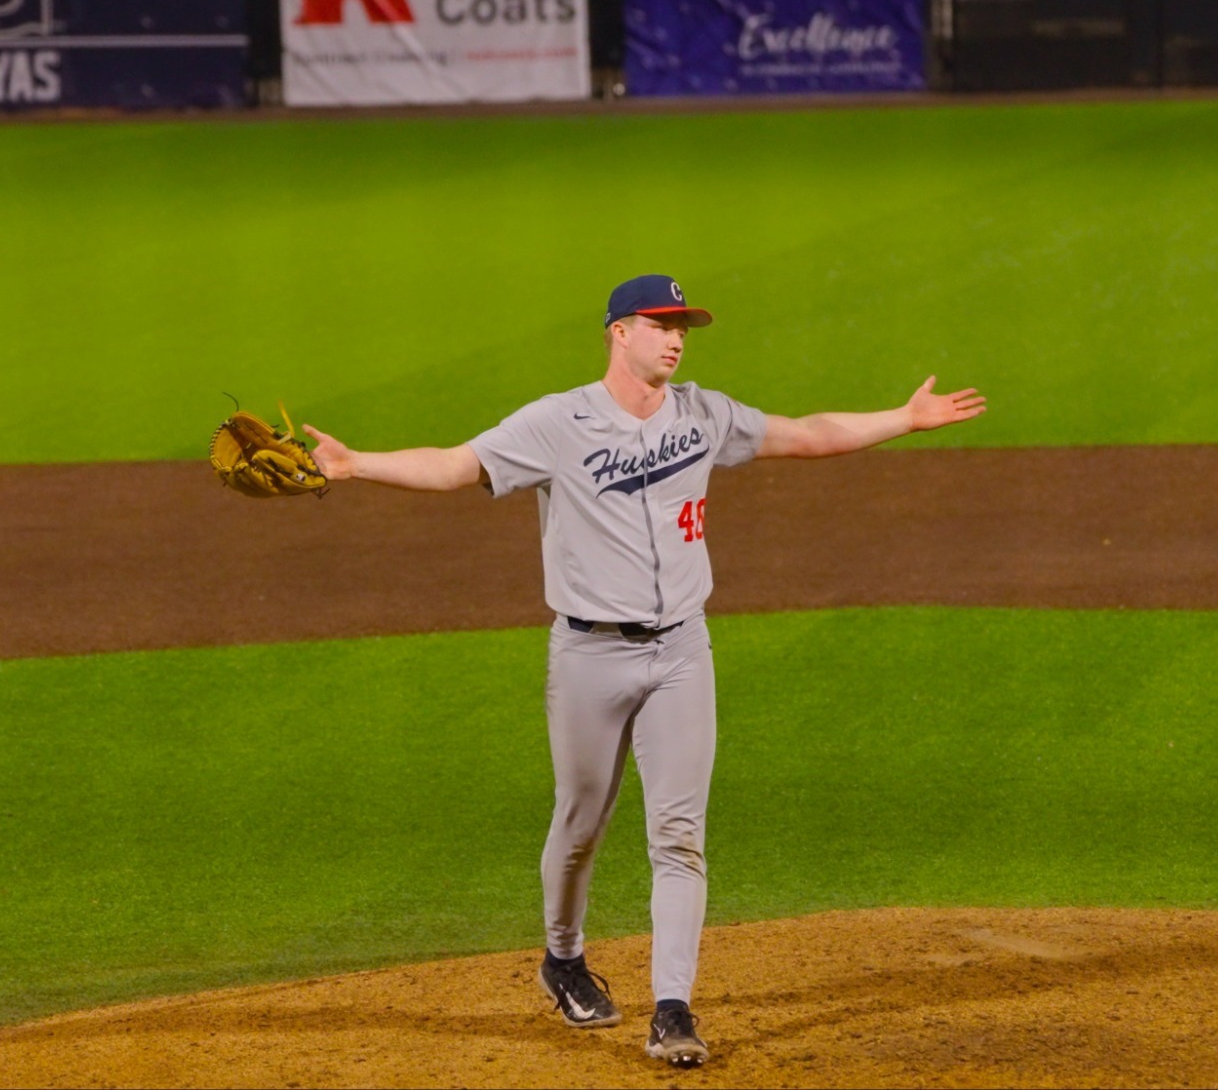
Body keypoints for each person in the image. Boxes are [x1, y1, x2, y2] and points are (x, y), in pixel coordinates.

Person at [303, 274, 986, 1068]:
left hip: (681, 652)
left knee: (679, 835)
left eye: (683, 328)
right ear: (617, 333)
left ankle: (673, 1010)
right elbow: (457, 465)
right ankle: (561, 959)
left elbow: (804, 433)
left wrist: (903, 418)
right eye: (660, 324)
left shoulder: (703, 414)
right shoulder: (557, 423)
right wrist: (358, 466)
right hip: (590, 653)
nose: (675, 338)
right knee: (581, 822)